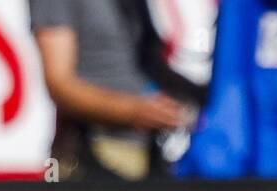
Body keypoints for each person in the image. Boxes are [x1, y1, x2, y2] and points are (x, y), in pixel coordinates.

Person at [30, 0, 190, 181]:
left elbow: (148, 62)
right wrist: (133, 111)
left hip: (145, 153)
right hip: (91, 152)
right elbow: (58, 83)